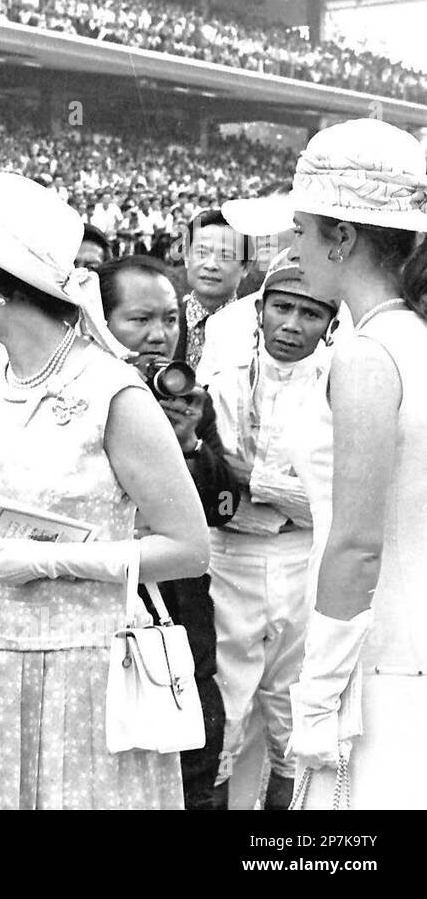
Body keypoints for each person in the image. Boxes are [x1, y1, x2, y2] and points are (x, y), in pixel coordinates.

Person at [0, 174, 209, 809]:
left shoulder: (114, 394)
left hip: (91, 678)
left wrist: (52, 560)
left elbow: (189, 547)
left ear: (6, 286)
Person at [233, 119, 427, 809]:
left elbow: (356, 542)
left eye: (301, 231)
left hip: (381, 665)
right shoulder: (408, 337)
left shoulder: (369, 353)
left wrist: (318, 697)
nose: (291, 247)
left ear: (341, 239)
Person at [196, 253, 338, 810]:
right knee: (225, 707)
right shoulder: (225, 379)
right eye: (282, 307)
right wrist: (268, 489)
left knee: (294, 709)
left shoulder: (335, 384)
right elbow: (211, 476)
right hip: (230, 557)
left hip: (304, 560)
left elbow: (327, 497)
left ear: (329, 324)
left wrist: (256, 483)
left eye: (310, 314)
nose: (292, 325)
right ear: (260, 310)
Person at [98, 254, 238, 810]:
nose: (160, 335)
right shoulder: (84, 395)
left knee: (192, 769)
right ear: (100, 320)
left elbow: (222, 506)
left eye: (171, 320)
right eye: (140, 320)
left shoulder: (185, 396)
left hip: (179, 619)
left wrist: (188, 446)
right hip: (105, 605)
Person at [176, 210, 252, 369]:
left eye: (225, 256)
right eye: (201, 253)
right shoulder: (165, 325)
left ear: (246, 267)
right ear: (186, 258)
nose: (210, 265)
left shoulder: (256, 330)